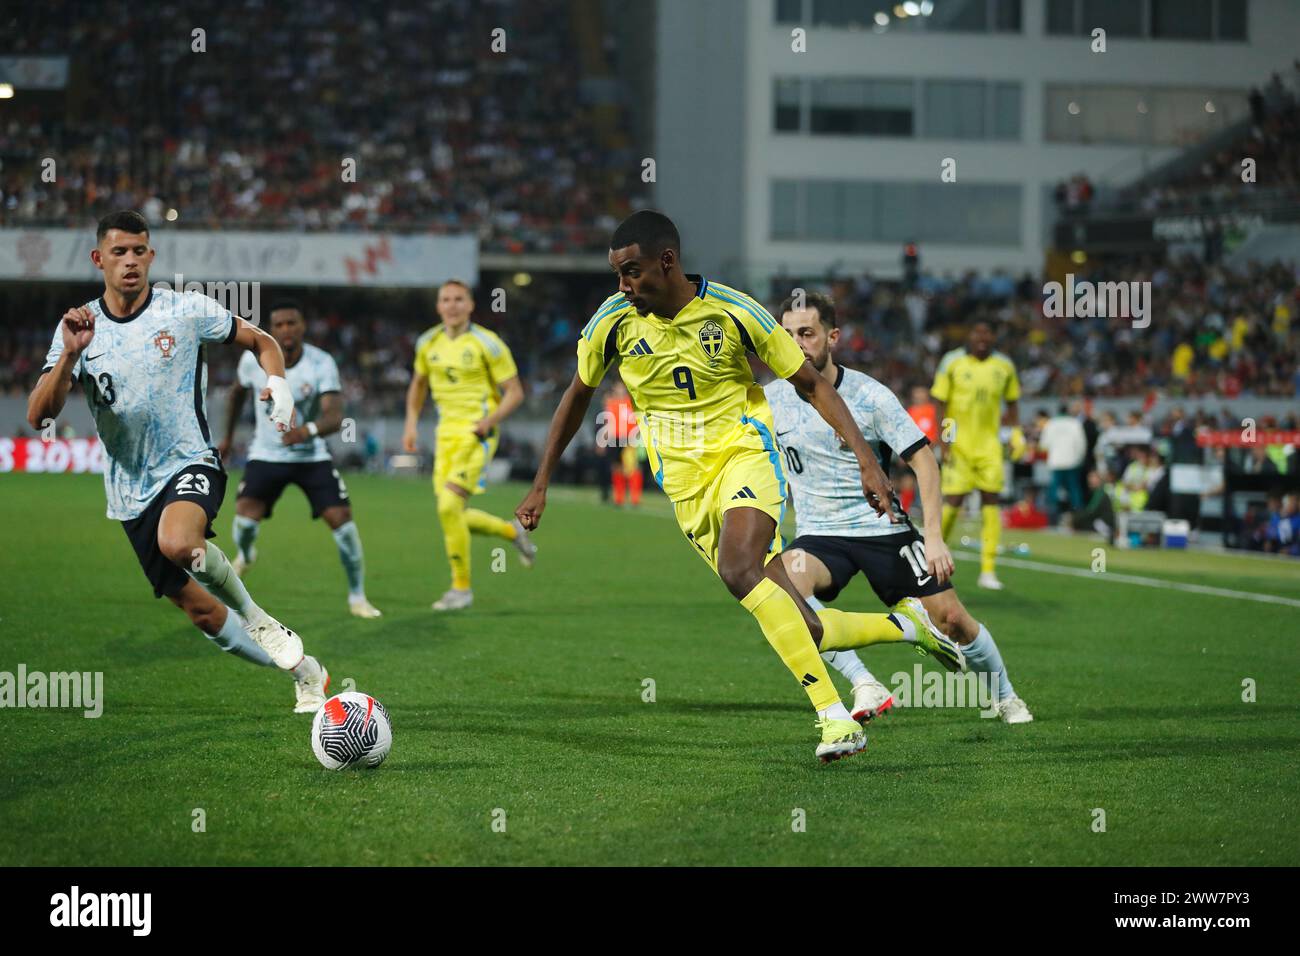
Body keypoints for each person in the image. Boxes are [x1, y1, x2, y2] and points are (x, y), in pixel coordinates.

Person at [515, 211, 961, 763]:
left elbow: (810, 384)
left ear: (667, 262)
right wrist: (541, 483)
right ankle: (907, 627)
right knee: (801, 622)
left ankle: (834, 718)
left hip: (745, 456)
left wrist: (869, 462)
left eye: (632, 273)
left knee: (738, 569)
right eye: (618, 275)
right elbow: (575, 398)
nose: (624, 286)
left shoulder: (734, 311)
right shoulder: (611, 323)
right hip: (684, 485)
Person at [25, 210, 328, 713]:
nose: (130, 262)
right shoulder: (77, 327)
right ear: (99, 259)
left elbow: (262, 341)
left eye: (138, 251)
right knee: (204, 615)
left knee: (178, 541)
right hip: (129, 492)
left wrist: (278, 385)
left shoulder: (185, 310)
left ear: (151, 256)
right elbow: (40, 414)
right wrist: (70, 356)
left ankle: (255, 614)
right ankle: (306, 670)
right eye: (118, 252)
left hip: (192, 461)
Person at [767, 293, 1033, 724]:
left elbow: (924, 460)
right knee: (784, 592)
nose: (796, 343)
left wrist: (934, 537)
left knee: (951, 620)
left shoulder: (869, 395)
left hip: (883, 531)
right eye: (788, 334)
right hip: (820, 535)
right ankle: (864, 683)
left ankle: (1005, 696)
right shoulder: (770, 399)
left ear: (832, 337)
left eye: (807, 333)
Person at [219, 301, 381, 618]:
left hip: (311, 457)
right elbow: (237, 394)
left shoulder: (321, 363)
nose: (285, 330)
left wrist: (305, 431)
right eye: (278, 325)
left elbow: (335, 417)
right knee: (244, 520)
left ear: (303, 326)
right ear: (270, 329)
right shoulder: (252, 361)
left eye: (292, 323)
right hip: (266, 454)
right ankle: (247, 553)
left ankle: (357, 596)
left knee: (343, 524)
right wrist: (227, 436)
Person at [402, 280, 537, 611]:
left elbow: (516, 392)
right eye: (445, 299)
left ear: (470, 305)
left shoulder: (487, 343)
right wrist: (410, 424)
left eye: (458, 299)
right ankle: (511, 532)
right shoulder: (427, 342)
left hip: (477, 435)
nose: (451, 305)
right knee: (454, 513)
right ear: (438, 306)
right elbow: (418, 384)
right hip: (444, 436)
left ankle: (461, 590)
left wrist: (490, 422)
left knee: (448, 507)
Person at [932, 320, 1024, 590]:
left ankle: (988, 570)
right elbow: (941, 402)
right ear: (969, 335)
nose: (982, 337)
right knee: (954, 502)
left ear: (994, 336)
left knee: (991, 501)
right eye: (977, 331)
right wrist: (945, 441)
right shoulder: (952, 362)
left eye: (988, 332)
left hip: (989, 447)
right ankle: (933, 560)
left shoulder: (1004, 366)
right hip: (959, 445)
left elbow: (1013, 401)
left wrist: (1016, 432)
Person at [1038, 405, 1087, 522]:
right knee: (1074, 489)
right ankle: (1078, 516)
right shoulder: (1075, 423)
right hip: (1072, 461)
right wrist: (1079, 459)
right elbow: (1081, 444)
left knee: (1054, 489)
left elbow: (1044, 445)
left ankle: (1053, 516)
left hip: (1056, 461)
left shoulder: (1051, 424)